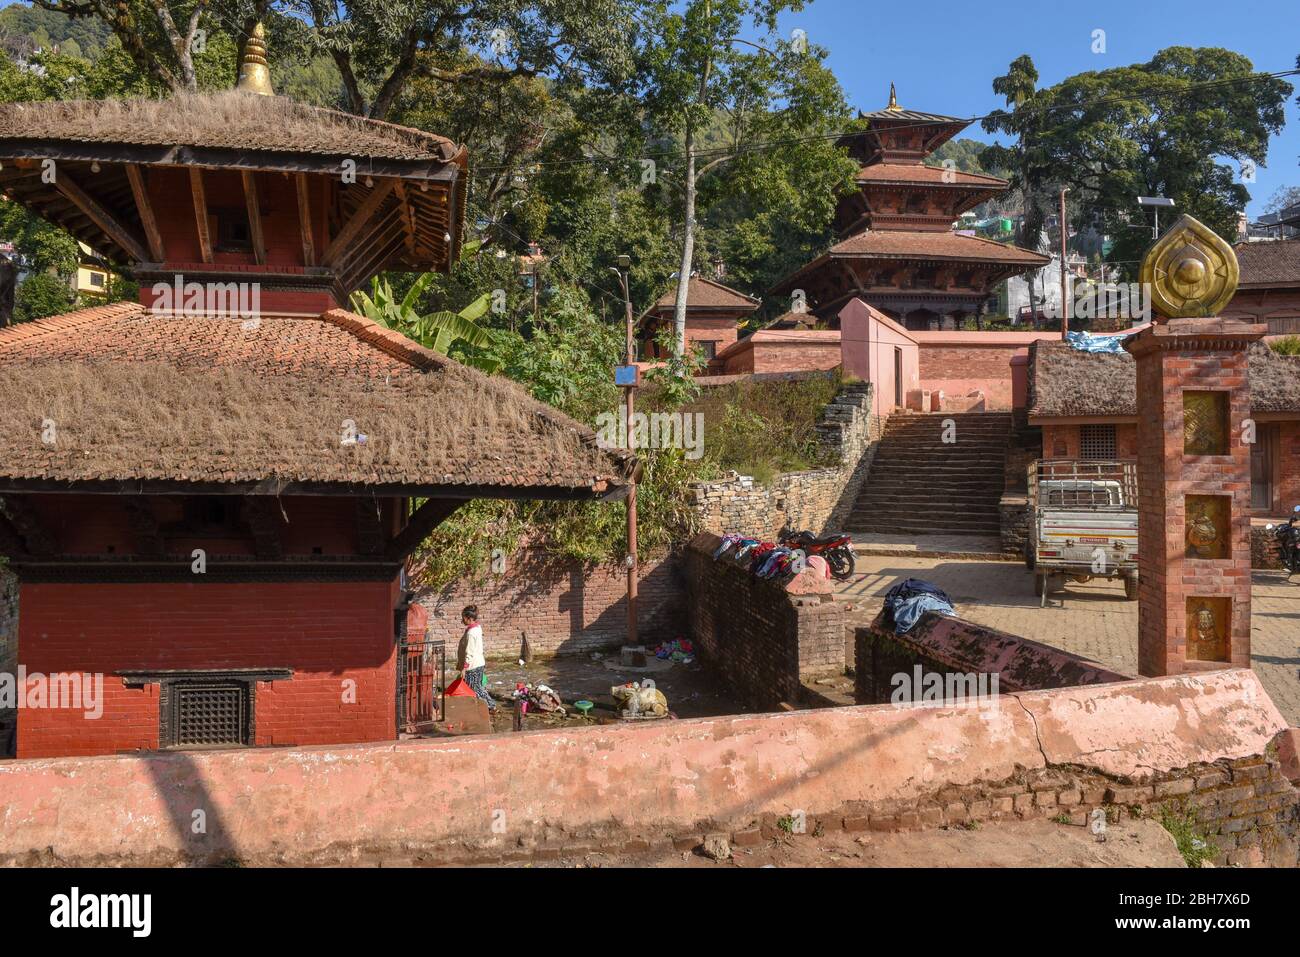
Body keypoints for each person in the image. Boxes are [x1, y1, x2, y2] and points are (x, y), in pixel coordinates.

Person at [457, 605, 496, 713]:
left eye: (463, 618)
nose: (462, 620)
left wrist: (464, 668)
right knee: (476, 687)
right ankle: (486, 705)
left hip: (472, 666)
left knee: (475, 688)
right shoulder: (477, 627)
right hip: (478, 663)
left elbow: (469, 653)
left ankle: (491, 705)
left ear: (469, 618)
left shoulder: (471, 633)